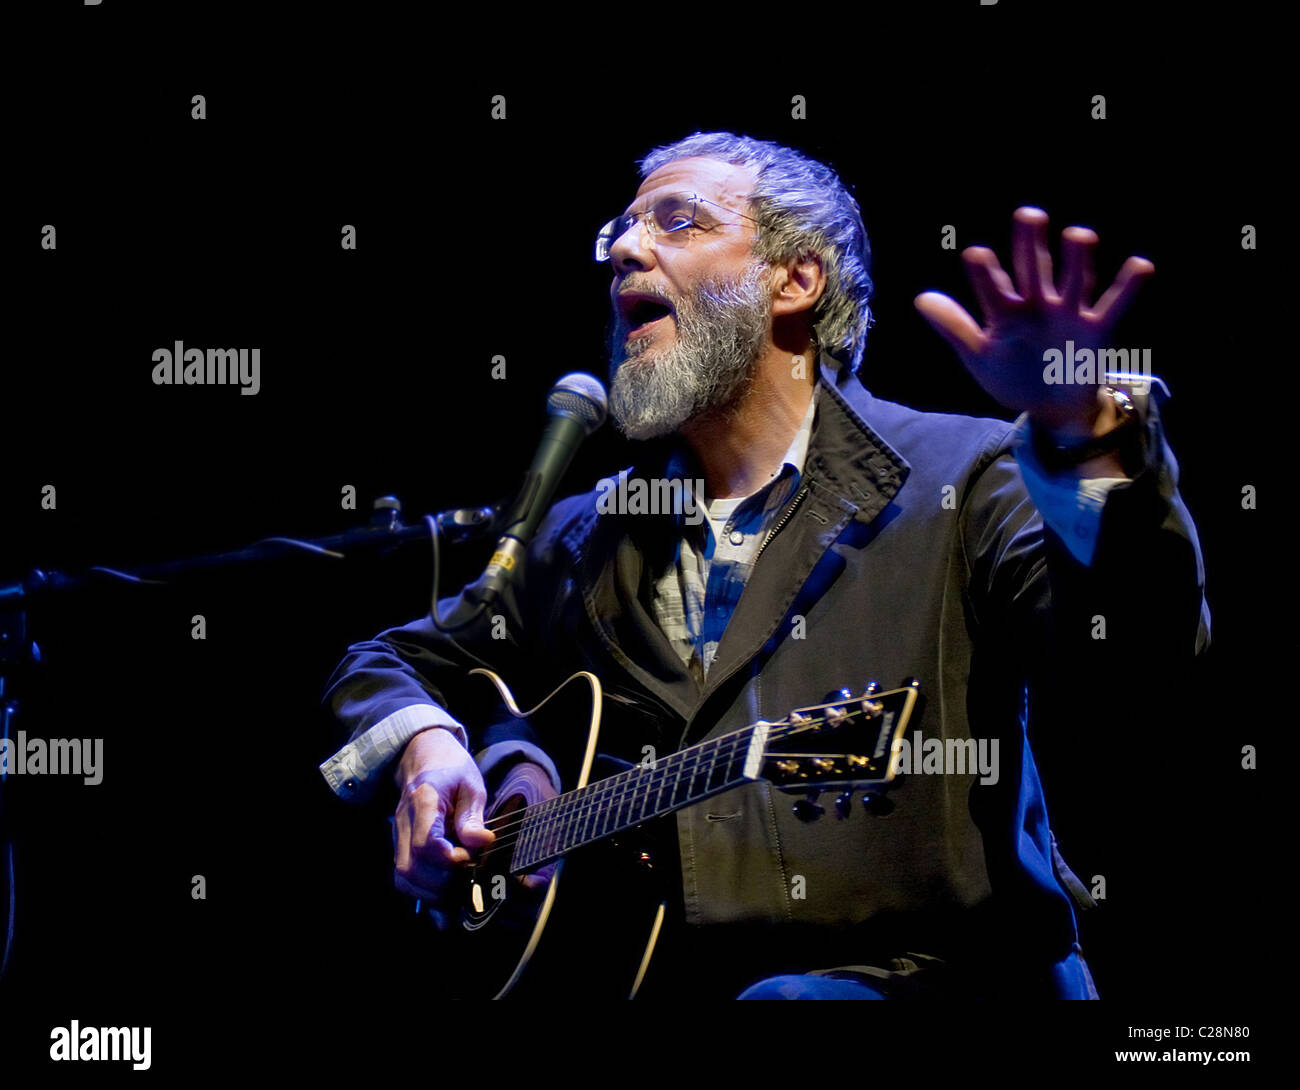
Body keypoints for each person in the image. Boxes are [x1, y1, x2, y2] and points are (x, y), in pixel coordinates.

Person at [319, 132, 1209, 999]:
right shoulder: (590, 530)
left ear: (795, 279)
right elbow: (386, 660)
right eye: (619, 230)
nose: (626, 249)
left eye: (677, 222)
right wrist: (431, 750)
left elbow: (1136, 650)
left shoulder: (966, 476)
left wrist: (1082, 438)